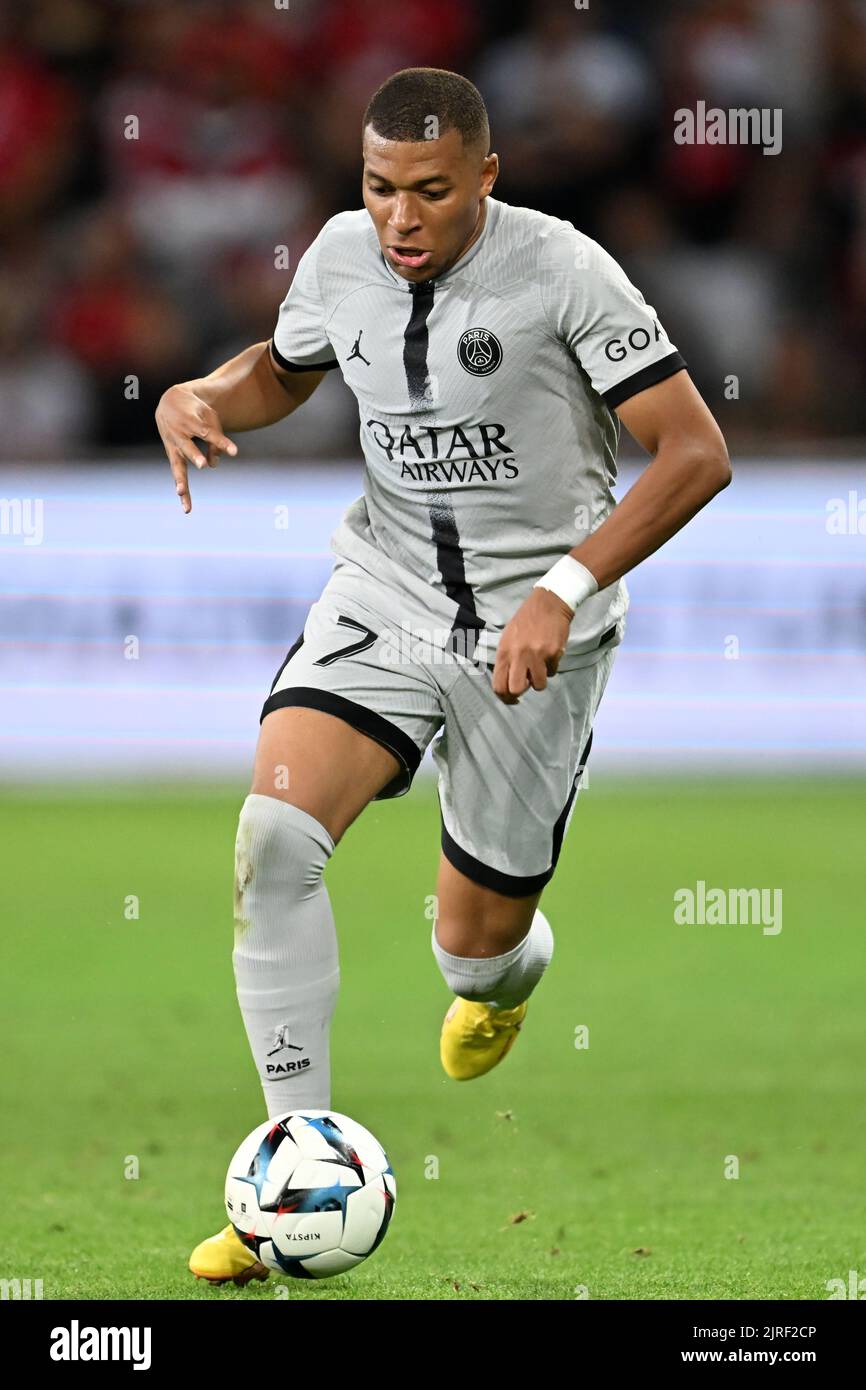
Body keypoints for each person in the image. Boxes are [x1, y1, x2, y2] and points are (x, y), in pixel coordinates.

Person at [155, 67, 731, 1286]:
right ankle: (284, 1167)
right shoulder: (337, 254)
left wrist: (561, 591)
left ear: (485, 178)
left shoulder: (565, 269)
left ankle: (507, 977)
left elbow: (694, 453)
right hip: (387, 593)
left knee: (473, 948)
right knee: (271, 837)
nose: (398, 218)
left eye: (427, 191)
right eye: (377, 189)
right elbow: (288, 367)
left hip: (539, 633)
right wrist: (207, 391)